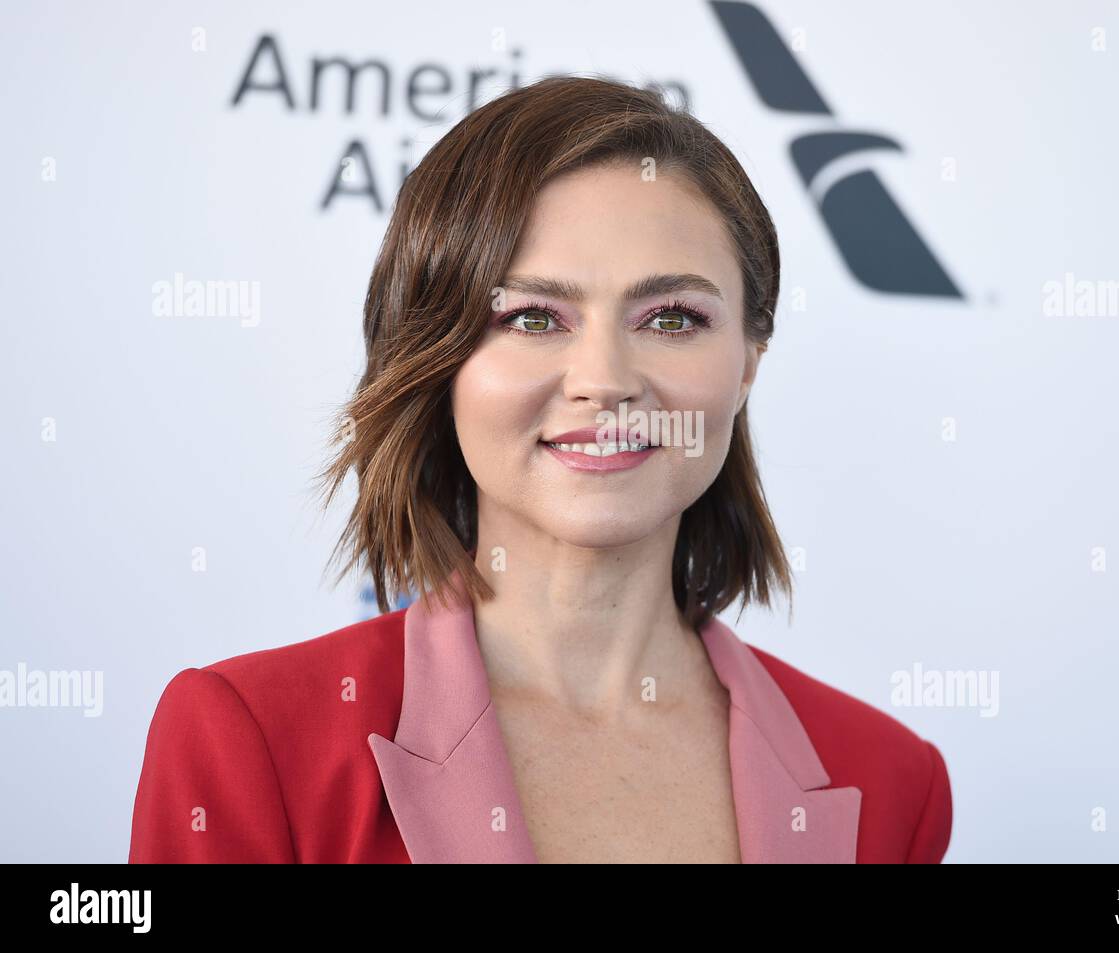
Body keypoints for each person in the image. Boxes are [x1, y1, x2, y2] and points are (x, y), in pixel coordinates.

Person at [128, 74, 952, 863]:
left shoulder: (889, 780)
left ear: (747, 364)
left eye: (671, 317)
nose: (605, 379)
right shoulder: (251, 740)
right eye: (531, 317)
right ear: (436, 359)